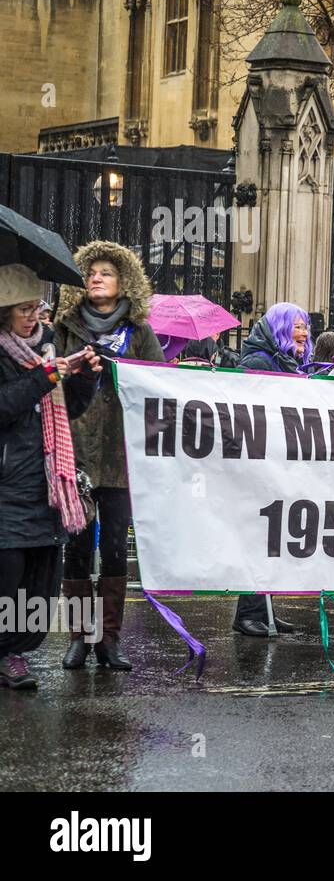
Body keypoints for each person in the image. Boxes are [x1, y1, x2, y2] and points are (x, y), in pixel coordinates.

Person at [53, 241, 165, 671]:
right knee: (77, 549)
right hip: (74, 452)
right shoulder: (64, 327)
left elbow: (158, 388)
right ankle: (80, 638)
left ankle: (109, 640)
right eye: (90, 272)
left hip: (121, 458)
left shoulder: (138, 333)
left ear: (124, 283)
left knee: (116, 549)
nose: (96, 278)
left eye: (106, 272)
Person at [0, 264, 102, 689]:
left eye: (36, 308)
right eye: (23, 309)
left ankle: (16, 651)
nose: (33, 317)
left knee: (40, 583)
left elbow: (68, 408)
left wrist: (85, 378)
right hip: (7, 487)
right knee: (7, 574)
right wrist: (43, 378)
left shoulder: (47, 346)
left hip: (48, 486)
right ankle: (5, 654)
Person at [231, 302, 313, 637]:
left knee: (270, 539)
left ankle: (263, 609)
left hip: (278, 461)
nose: (304, 334)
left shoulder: (283, 361)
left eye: (305, 327)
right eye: (296, 327)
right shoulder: (258, 361)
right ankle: (248, 611)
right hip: (259, 463)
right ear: (278, 329)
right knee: (258, 537)